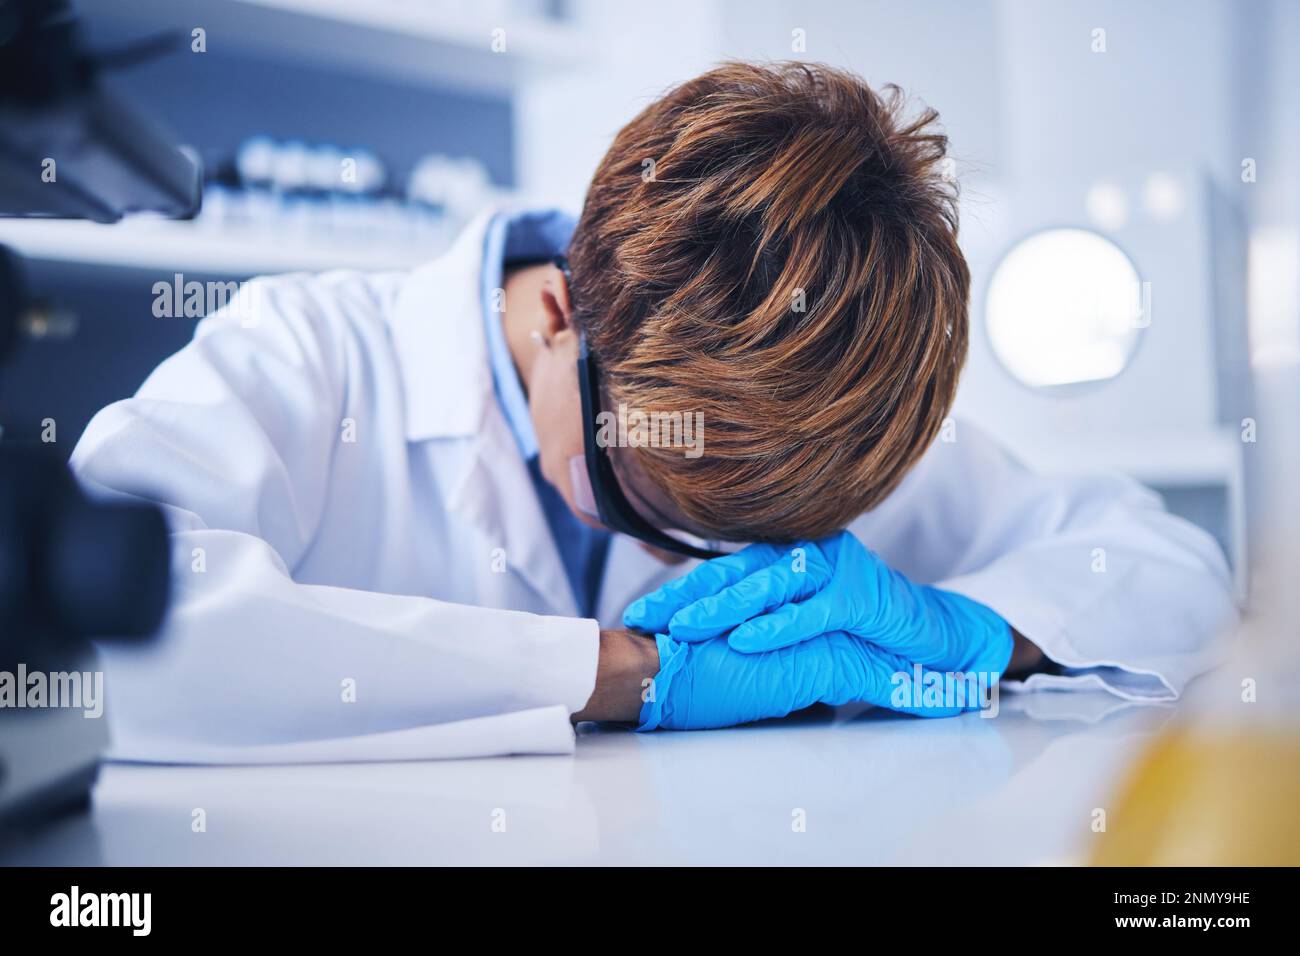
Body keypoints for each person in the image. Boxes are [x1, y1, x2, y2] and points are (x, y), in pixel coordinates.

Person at [71, 62, 1236, 761]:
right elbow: (109, 639)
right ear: (561, 311)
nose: (666, 551)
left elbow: (1171, 565)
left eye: (738, 537)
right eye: (637, 492)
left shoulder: (797, 411)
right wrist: (615, 669)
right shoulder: (312, 354)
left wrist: (982, 628)